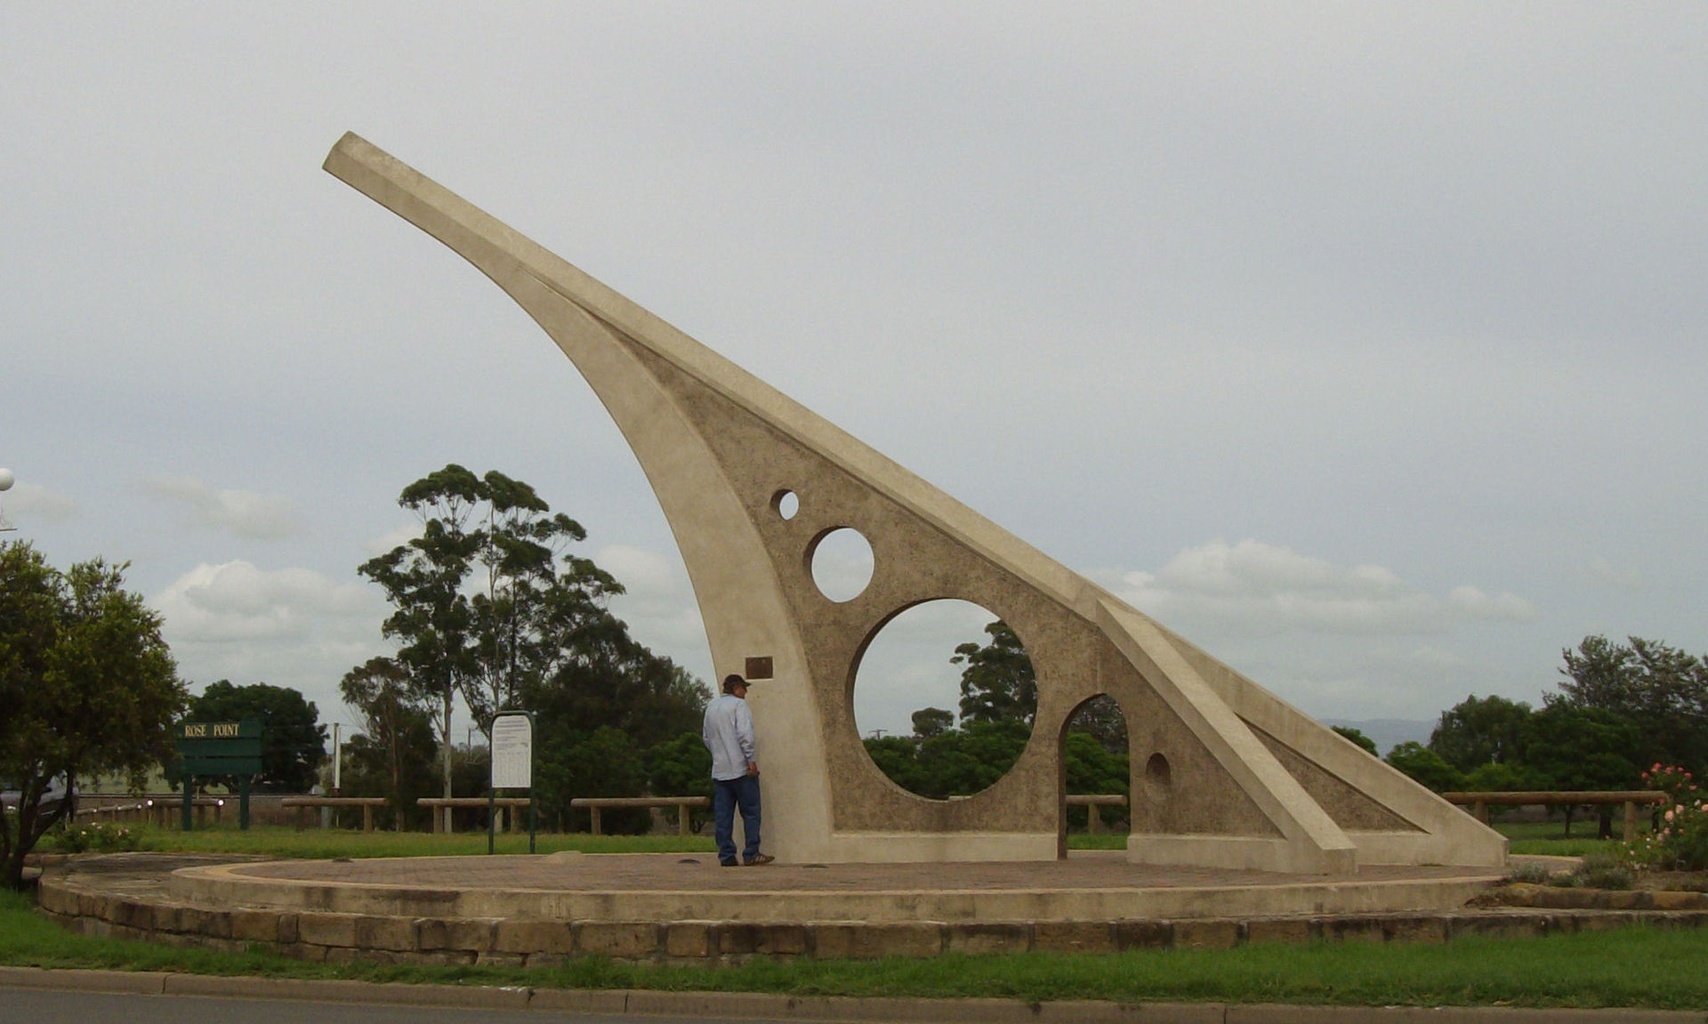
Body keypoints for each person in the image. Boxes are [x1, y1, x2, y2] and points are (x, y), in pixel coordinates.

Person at [701, 673, 773, 866]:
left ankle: (726, 855)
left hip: (720, 769)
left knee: (723, 815)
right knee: (750, 812)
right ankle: (751, 853)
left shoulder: (711, 707)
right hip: (741, 768)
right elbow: (745, 734)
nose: (745, 692)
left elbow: (706, 738)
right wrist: (750, 759)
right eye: (744, 688)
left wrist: (718, 754)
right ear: (736, 688)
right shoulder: (739, 705)